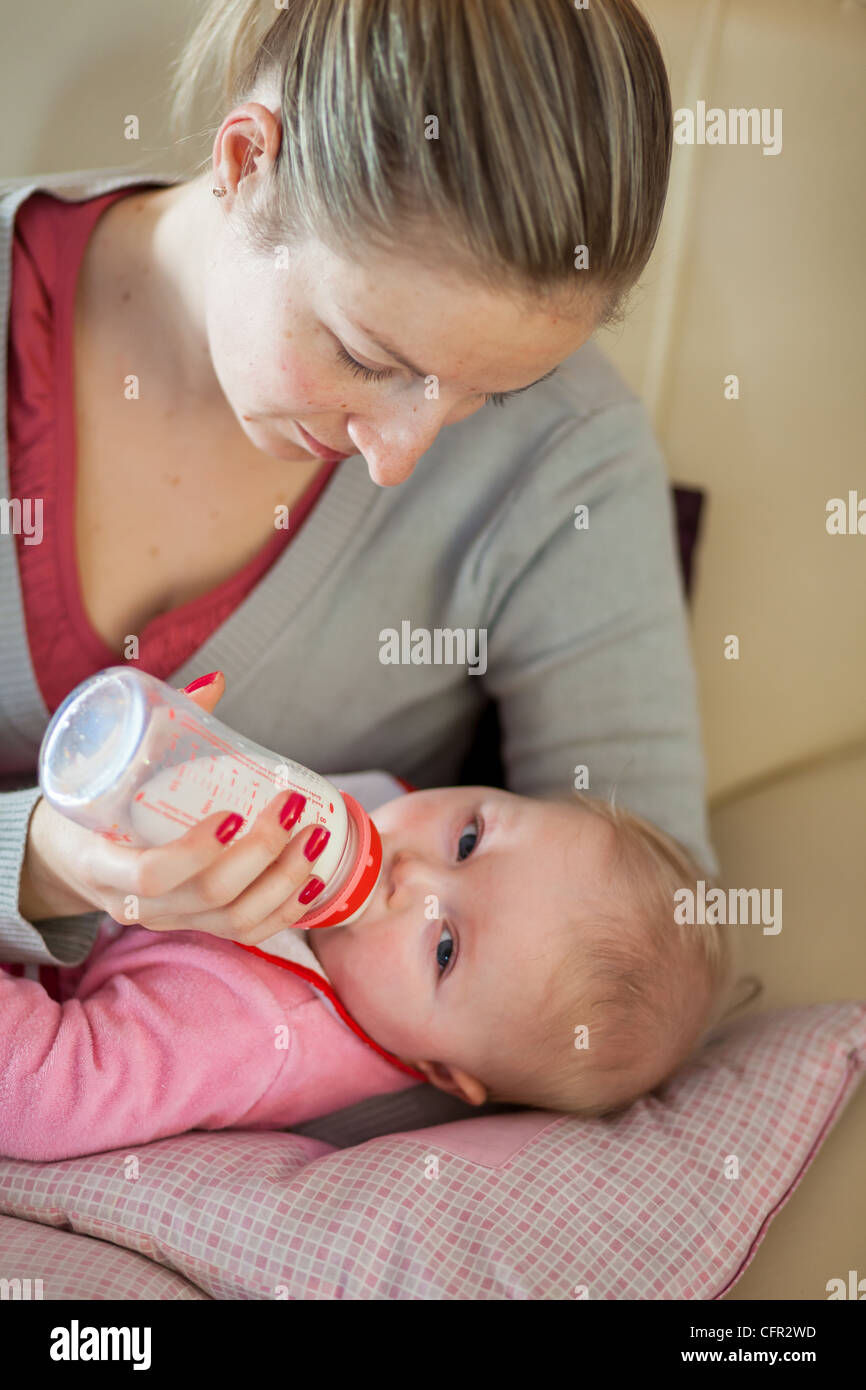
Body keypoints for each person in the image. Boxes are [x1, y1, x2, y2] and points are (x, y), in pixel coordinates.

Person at [0, 0, 716, 1050]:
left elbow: (635, 971)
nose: (399, 457)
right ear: (247, 161)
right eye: (371, 360)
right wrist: (34, 860)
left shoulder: (567, 459)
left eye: (489, 394)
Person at [0, 773, 733, 1162]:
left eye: (444, 948)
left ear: (442, 1071)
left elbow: (45, 1092)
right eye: (471, 838)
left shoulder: (252, 1027)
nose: (411, 874)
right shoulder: (374, 815)